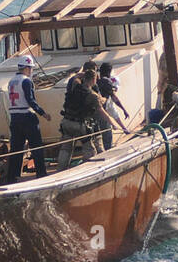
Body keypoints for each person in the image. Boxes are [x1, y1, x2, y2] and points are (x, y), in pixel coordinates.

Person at [57, 67, 126, 170]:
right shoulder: (92, 96)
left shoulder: (74, 85)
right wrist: (114, 125)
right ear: (94, 80)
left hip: (66, 122)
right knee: (90, 150)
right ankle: (88, 171)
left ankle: (60, 171)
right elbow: (103, 113)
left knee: (66, 149)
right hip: (79, 125)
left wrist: (82, 74)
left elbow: (75, 77)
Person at [7, 54, 52, 183]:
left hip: (14, 118)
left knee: (16, 148)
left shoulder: (11, 81)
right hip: (27, 116)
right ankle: (41, 174)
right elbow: (30, 100)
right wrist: (43, 113)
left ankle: (13, 176)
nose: (31, 71)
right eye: (31, 68)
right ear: (27, 68)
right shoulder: (26, 81)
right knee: (36, 147)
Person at [95, 61, 129, 151]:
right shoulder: (107, 82)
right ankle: (107, 153)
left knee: (97, 139)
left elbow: (113, 111)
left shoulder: (96, 81)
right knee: (107, 135)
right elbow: (115, 98)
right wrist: (124, 110)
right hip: (102, 114)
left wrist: (124, 128)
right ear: (109, 72)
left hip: (93, 115)